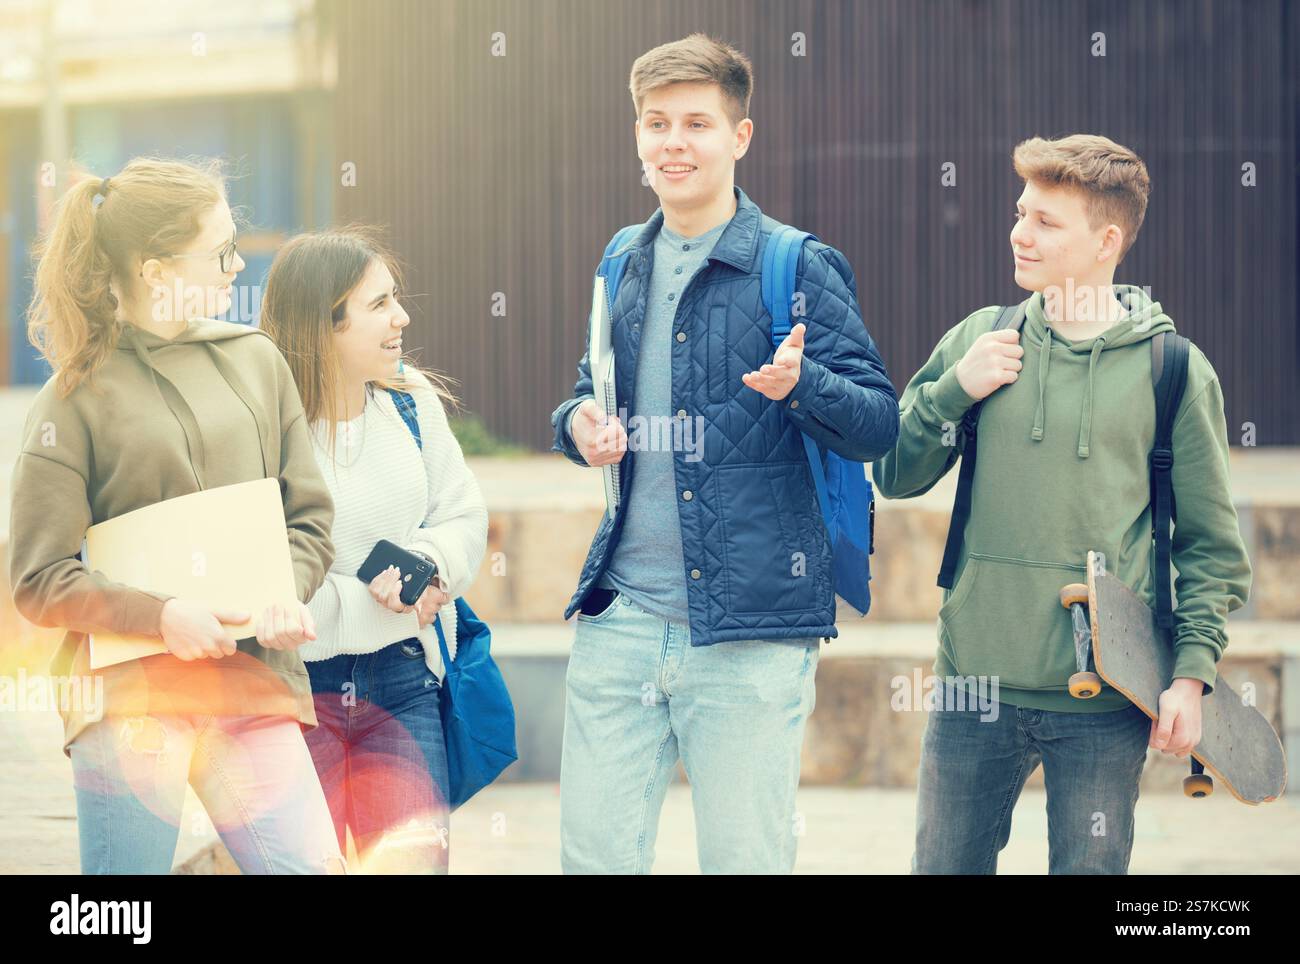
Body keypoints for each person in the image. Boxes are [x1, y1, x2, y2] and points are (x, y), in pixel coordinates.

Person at [550, 34, 899, 874]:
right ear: (636, 134)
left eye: (697, 124)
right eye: (656, 122)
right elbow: (583, 388)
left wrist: (802, 383)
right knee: (593, 858)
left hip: (751, 630)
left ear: (740, 138)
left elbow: (878, 424)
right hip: (621, 619)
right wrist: (576, 427)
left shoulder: (796, 265)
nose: (675, 142)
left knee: (744, 859)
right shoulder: (621, 262)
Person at [873, 134, 1253, 874]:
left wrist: (1190, 674)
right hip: (973, 686)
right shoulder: (981, 339)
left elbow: (1209, 544)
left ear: (1107, 240)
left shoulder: (1173, 370)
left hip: (1106, 699)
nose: (1019, 232)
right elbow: (894, 471)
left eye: (1047, 221)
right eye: (1021, 212)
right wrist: (957, 391)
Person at [8, 157, 344, 874]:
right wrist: (161, 616)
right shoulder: (71, 401)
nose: (236, 265)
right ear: (157, 270)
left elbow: (310, 519)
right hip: (133, 703)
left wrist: (287, 594)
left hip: (252, 682)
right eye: (220, 251)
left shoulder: (259, 362)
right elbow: (37, 578)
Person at [261, 228, 488, 874]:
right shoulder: (266, 433)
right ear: (323, 324)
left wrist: (431, 567)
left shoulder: (411, 403)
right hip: (301, 692)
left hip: (405, 680)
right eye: (380, 304)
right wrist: (362, 601)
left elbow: (463, 513)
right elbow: (269, 572)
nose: (402, 318)